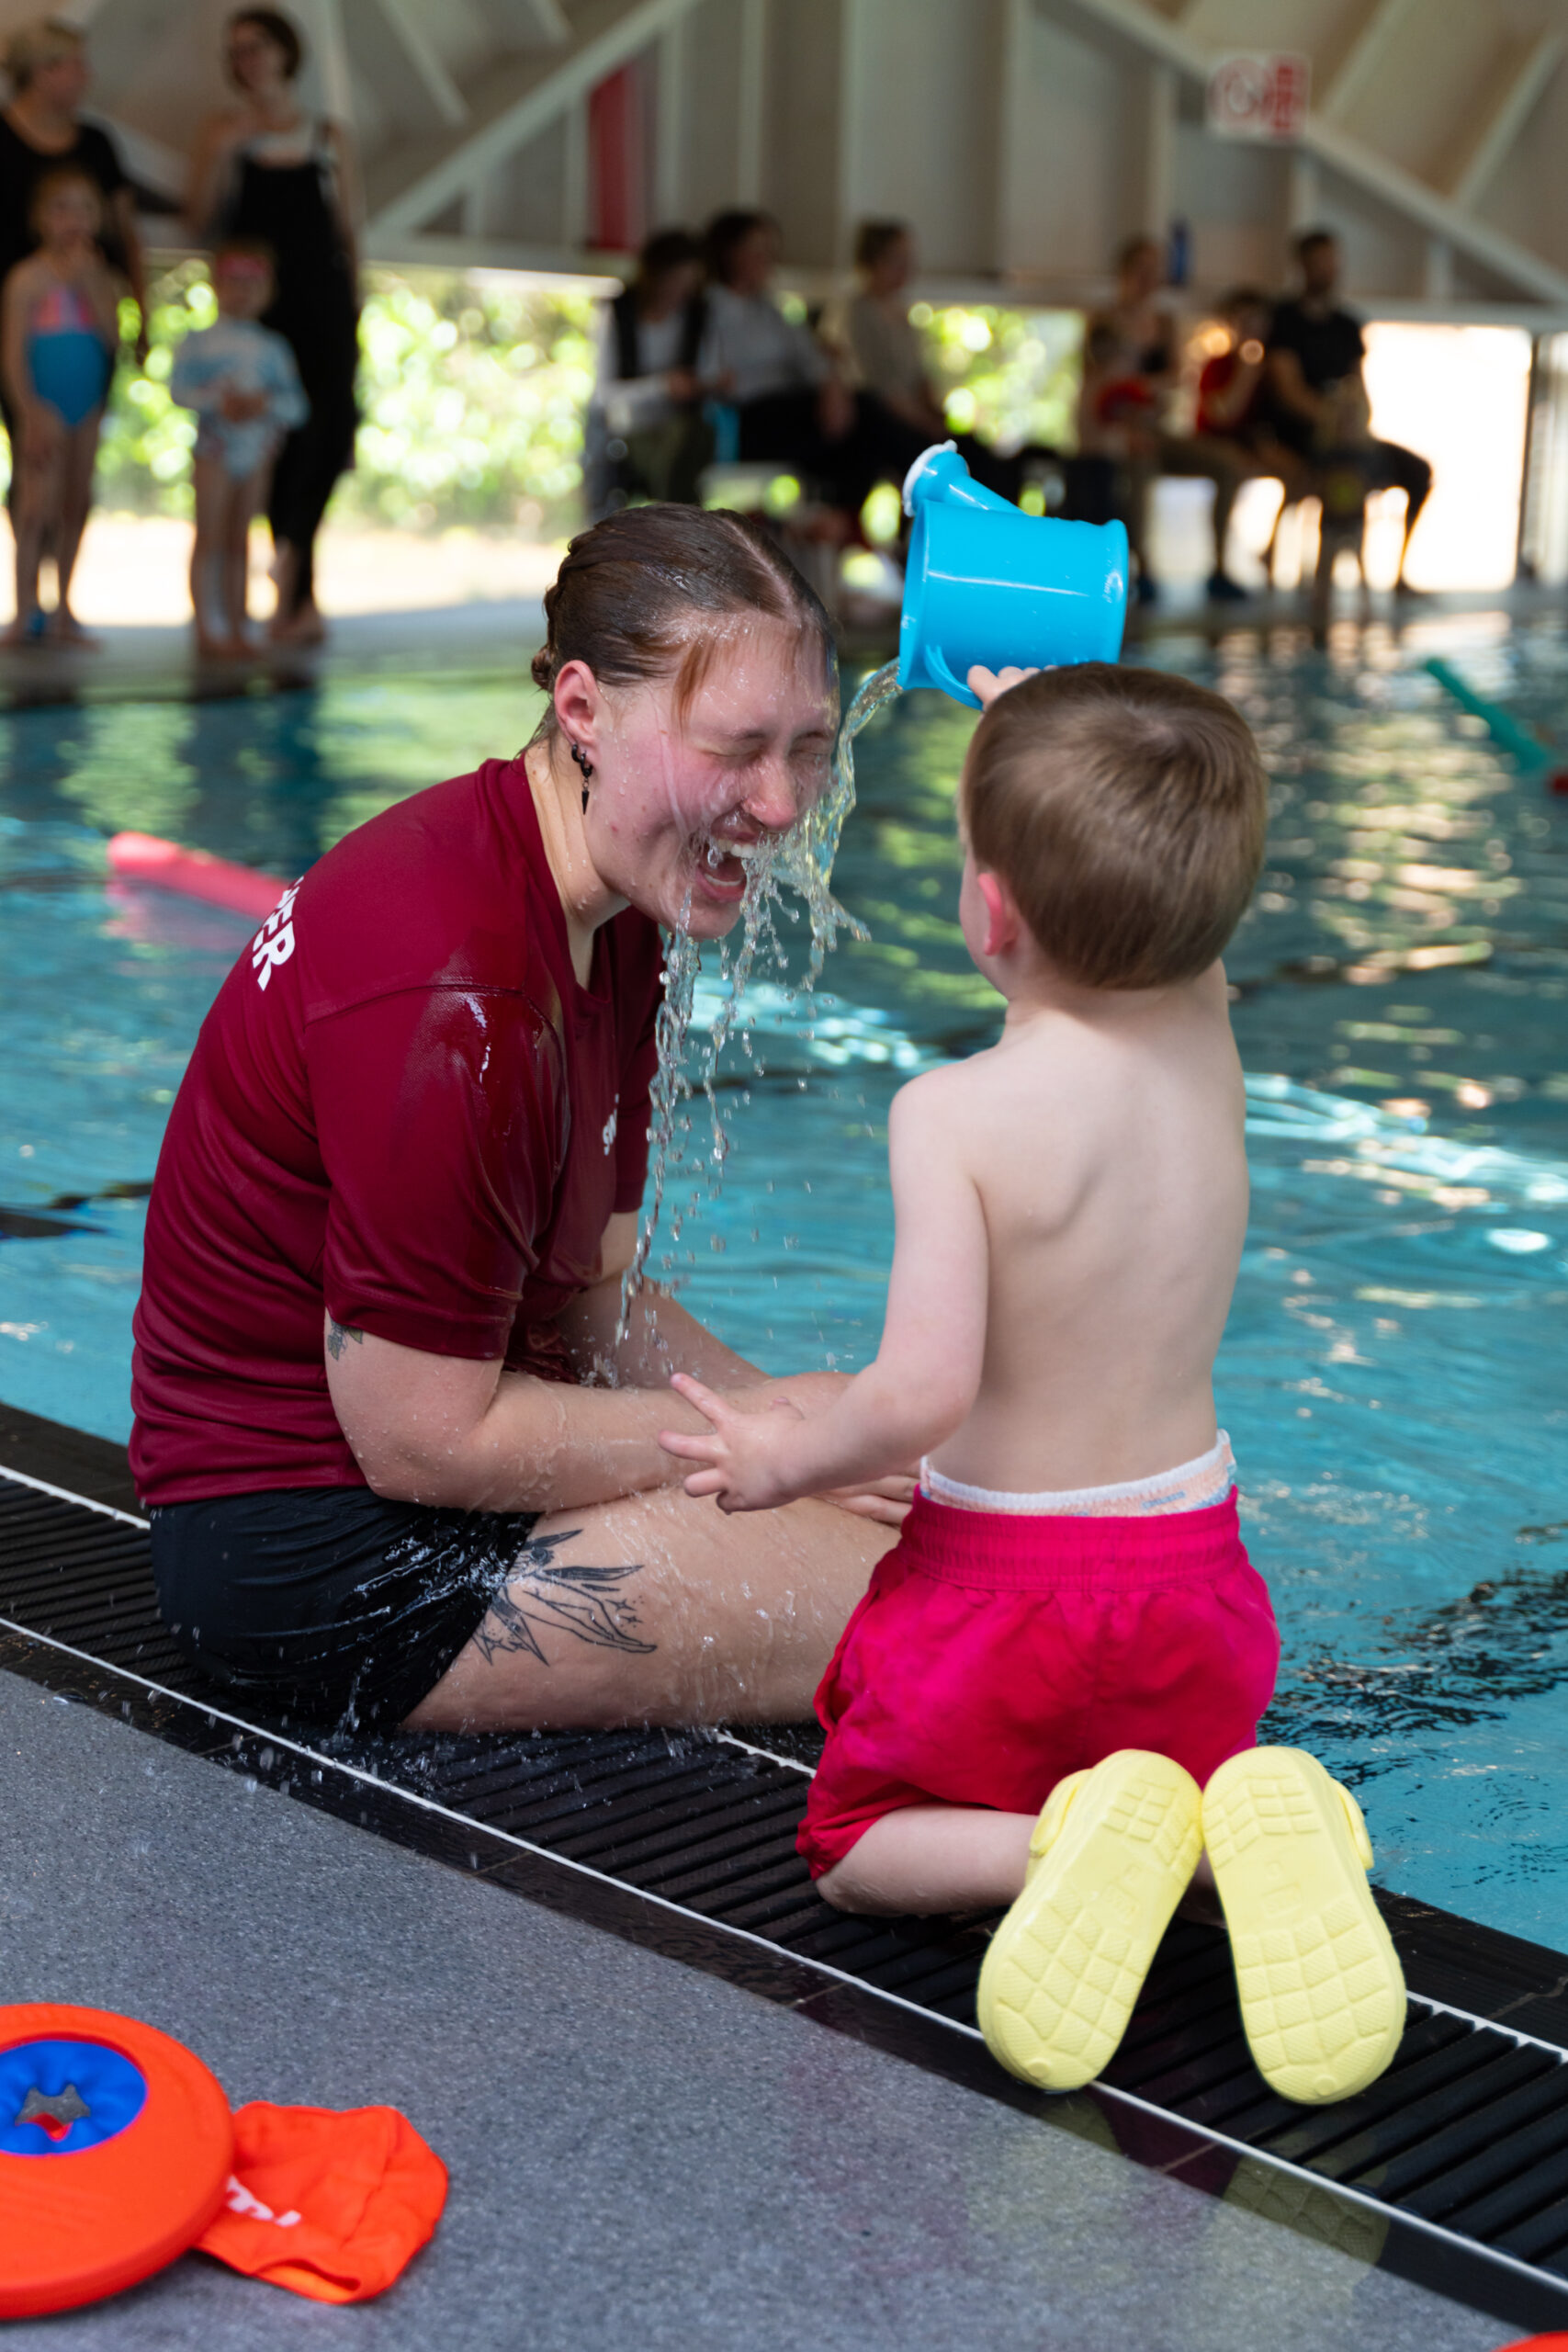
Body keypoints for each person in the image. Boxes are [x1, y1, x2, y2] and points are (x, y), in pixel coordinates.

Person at [661, 662, 1406, 2108]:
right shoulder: (1205, 1035)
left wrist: (779, 1462)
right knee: (1175, 1772)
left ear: (987, 911)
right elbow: (1172, 905)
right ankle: (1235, 1826)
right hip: (1192, 1580)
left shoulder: (955, 1115)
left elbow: (919, 1392)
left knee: (856, 1840)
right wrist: (1065, 727)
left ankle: (1063, 1842)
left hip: (1004, 1592)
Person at [130, 503, 905, 1736]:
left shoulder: (613, 904)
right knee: (949, 1631)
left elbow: (590, 1303)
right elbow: (423, 1444)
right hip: (317, 1556)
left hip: (446, 1482)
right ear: (585, 711)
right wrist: (759, 1434)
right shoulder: (459, 994)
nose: (777, 805)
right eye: (734, 748)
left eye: (805, 749)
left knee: (933, 1509)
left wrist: (820, 1438)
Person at [186, 7, 361, 646]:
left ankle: (295, 572)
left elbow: (349, 230)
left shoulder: (327, 135)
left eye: (256, 46)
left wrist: (356, 304)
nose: (246, 60)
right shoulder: (223, 131)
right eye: (235, 52)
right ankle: (280, 594)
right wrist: (222, 154)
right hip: (263, 316)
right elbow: (199, 219)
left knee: (330, 429)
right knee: (274, 441)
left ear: (286, 52)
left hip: (324, 305)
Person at [699, 209, 929, 523]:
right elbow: (716, 379)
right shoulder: (708, 310)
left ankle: (846, 522)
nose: (768, 259)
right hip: (744, 420)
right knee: (867, 411)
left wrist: (831, 386)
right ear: (730, 252)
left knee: (862, 438)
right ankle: (915, 486)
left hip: (794, 410)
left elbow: (810, 356)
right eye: (758, 249)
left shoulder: (768, 309)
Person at [0, 16, 148, 489]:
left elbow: (126, 235)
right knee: (33, 457)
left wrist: (140, 312)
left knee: (78, 475)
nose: (87, 75)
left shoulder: (97, 144)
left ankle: (62, 562)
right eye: (75, 65)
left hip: (88, 323)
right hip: (15, 323)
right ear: (41, 71)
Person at [1078, 233, 1247, 603]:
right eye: (1142, 270)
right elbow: (1102, 391)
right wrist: (1140, 397)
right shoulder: (1104, 321)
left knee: (1226, 464)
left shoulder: (1166, 324)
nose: (1149, 279)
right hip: (1117, 436)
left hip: (1157, 430)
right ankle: (1143, 568)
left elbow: (1175, 381)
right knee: (1139, 463)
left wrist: (1141, 389)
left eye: (1155, 271)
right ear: (1124, 273)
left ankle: (1219, 567)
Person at [1264, 228, 1431, 594]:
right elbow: (1288, 391)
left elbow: (1360, 389)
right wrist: (1333, 420)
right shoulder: (1285, 320)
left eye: (1332, 261)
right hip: (1301, 434)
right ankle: (1325, 576)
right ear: (1303, 266)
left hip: (1348, 432)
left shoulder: (1347, 325)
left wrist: (1354, 423)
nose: (1328, 270)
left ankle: (1397, 573)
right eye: (1320, 262)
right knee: (1343, 472)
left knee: (1417, 472)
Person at [171, 238, 308, 656]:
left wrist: (262, 404)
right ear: (216, 285)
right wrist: (220, 401)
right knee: (209, 537)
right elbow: (179, 391)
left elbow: (297, 406)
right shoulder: (199, 341)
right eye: (234, 281)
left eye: (254, 282)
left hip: (257, 456)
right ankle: (204, 628)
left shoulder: (274, 348)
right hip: (214, 451)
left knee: (239, 541)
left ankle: (235, 627)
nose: (243, 291)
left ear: (268, 291)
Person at [1, 166, 118, 644]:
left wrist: (90, 283)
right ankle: (26, 607)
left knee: (76, 500)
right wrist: (27, 409)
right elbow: (11, 353)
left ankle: (65, 607)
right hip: (43, 406)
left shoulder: (102, 277)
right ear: (40, 220)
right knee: (34, 507)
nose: (73, 218)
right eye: (61, 207)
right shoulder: (27, 278)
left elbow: (113, 340)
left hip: (86, 407)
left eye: (84, 208)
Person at [590, 227, 725, 511]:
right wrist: (663, 386)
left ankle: (678, 521)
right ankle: (680, 521)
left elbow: (709, 372)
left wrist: (707, 384)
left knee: (689, 440)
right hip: (629, 430)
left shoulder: (699, 315)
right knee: (675, 455)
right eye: (674, 281)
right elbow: (604, 394)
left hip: (684, 429)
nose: (679, 293)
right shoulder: (617, 313)